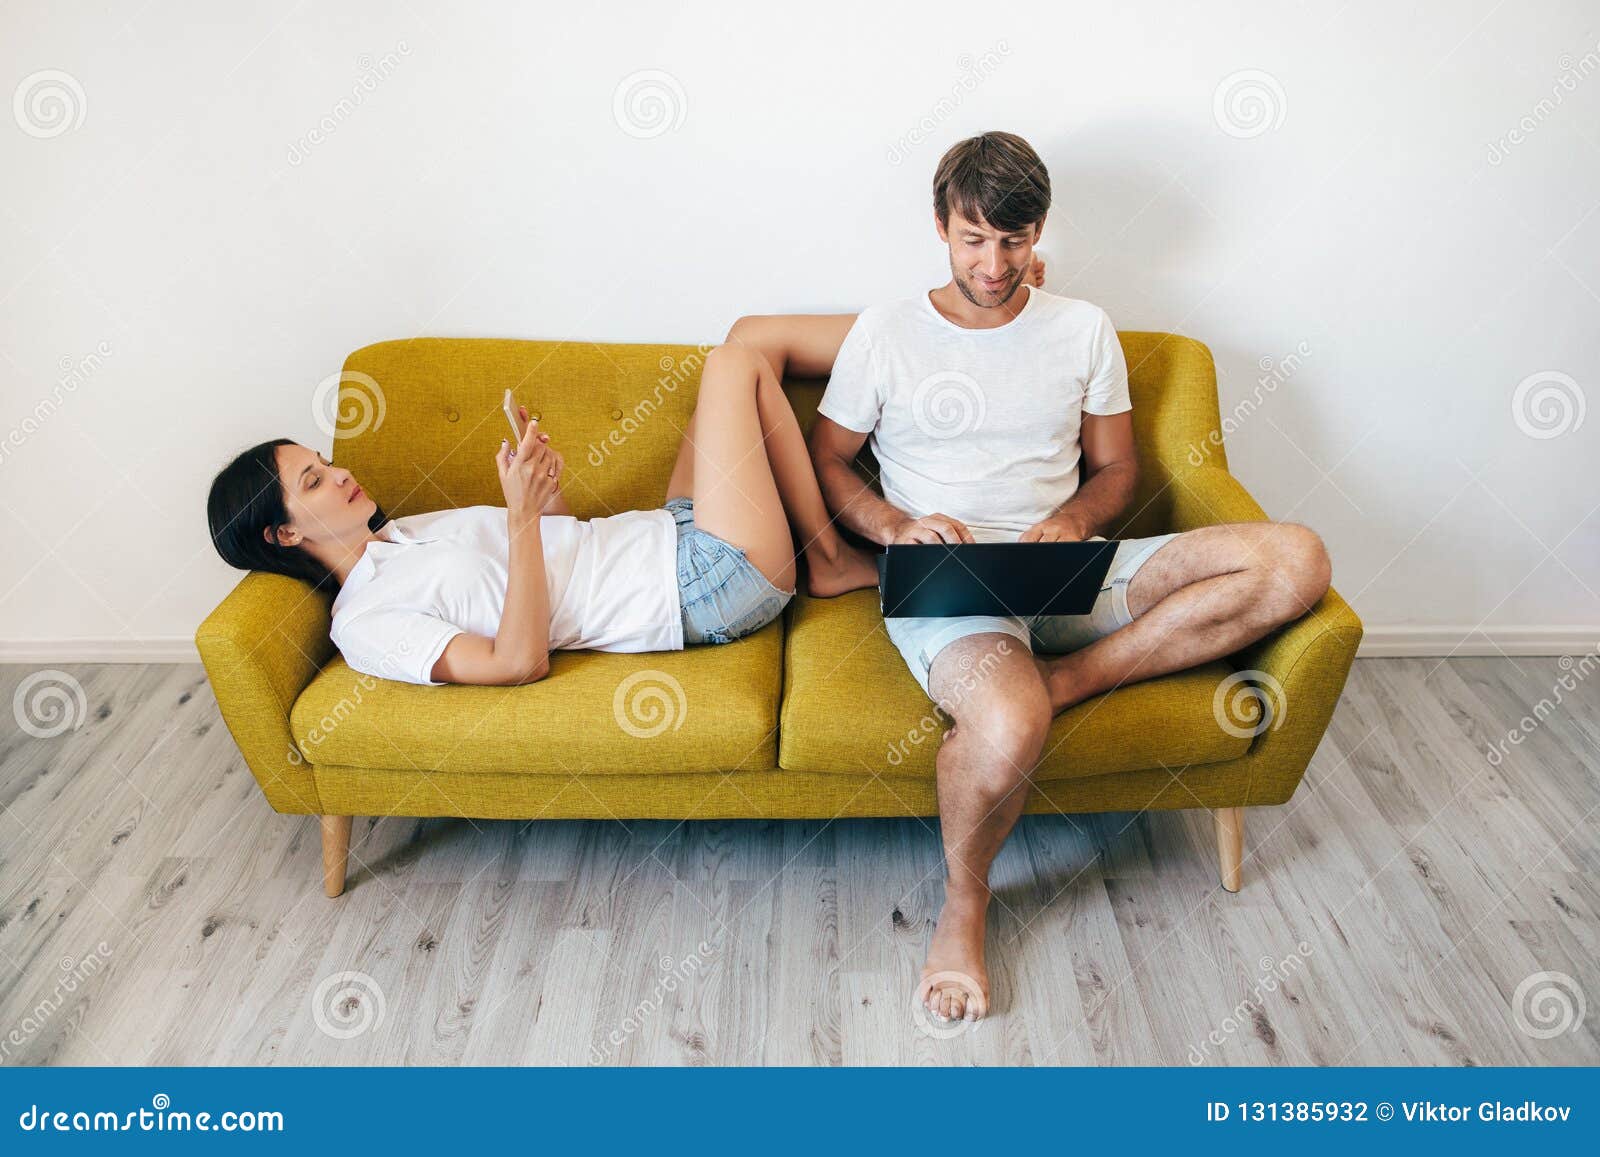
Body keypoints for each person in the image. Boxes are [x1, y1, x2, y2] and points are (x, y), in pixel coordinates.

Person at [803, 131, 1333, 1025]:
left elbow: (1117, 470)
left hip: (1071, 570)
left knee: (1297, 558)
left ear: (1038, 229)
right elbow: (829, 461)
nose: (995, 263)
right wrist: (895, 524)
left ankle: (1071, 676)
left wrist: (1076, 520)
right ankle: (966, 904)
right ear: (940, 227)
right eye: (974, 239)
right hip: (955, 587)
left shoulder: (1081, 328)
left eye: (1013, 240)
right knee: (1009, 717)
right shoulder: (885, 332)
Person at [205, 333, 879, 687]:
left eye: (326, 463)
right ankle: (829, 558)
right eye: (317, 480)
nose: (342, 472)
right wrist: (521, 519)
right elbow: (516, 661)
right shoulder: (367, 624)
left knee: (749, 336)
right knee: (736, 363)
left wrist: (544, 489)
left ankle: (946, 326)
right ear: (285, 530)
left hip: (664, 532)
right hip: (701, 585)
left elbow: (554, 551)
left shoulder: (403, 536)